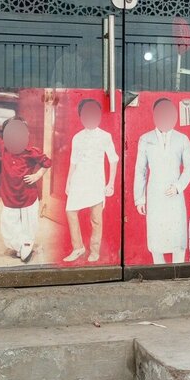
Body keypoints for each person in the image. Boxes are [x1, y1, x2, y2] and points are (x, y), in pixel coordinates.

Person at [0, 114, 51, 263]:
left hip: (28, 195)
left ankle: (27, 243)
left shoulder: (31, 151)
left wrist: (37, 175)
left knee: (29, 223)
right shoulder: (4, 147)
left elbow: (47, 162)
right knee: (9, 224)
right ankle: (20, 245)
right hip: (10, 196)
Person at [134, 98, 190, 264]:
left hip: (175, 193)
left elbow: (189, 166)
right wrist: (139, 198)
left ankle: (178, 272)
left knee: (178, 238)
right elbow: (140, 170)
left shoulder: (182, 139)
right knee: (156, 240)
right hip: (155, 194)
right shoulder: (145, 139)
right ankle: (159, 272)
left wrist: (178, 186)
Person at [63, 98, 119, 264]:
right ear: (81, 117)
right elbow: (73, 162)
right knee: (70, 212)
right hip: (79, 180)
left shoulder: (105, 136)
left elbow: (114, 160)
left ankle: (94, 250)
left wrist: (111, 183)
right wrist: (68, 182)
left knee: (96, 219)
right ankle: (78, 247)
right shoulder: (77, 137)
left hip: (96, 182)